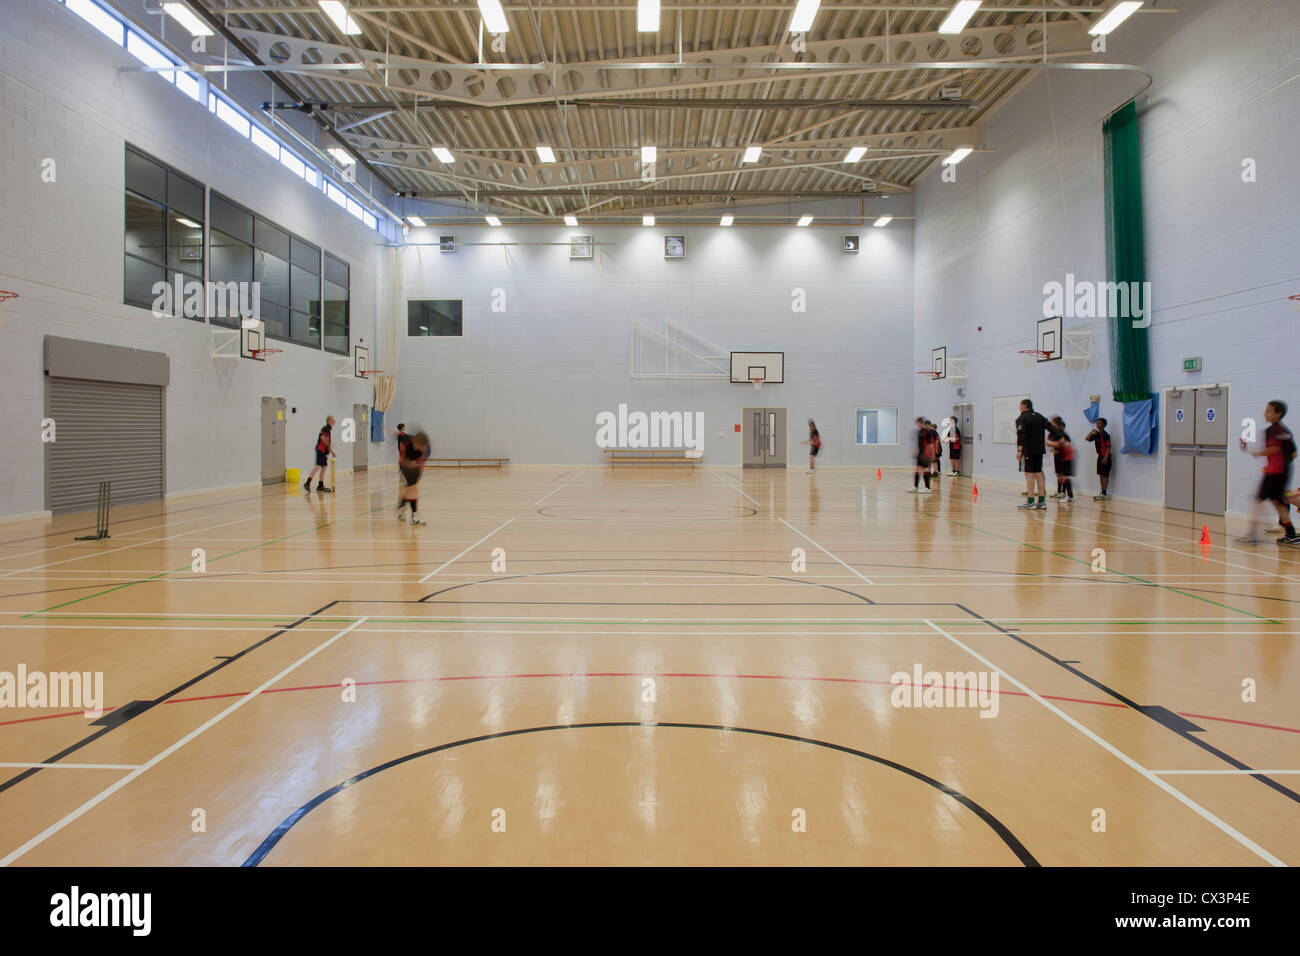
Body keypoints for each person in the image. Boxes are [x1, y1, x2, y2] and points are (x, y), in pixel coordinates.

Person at [1238, 400, 1297, 545]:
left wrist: (1258, 453)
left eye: (1269, 411)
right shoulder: (1286, 431)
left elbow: (1274, 449)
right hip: (1283, 472)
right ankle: (1291, 534)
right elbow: (1294, 453)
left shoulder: (1272, 431)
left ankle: (1252, 535)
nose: (1265, 413)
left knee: (1258, 501)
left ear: (1278, 414)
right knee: (1278, 503)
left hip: (1274, 473)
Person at [1015, 399, 1062, 511]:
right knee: (1039, 473)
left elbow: (1021, 436)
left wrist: (1019, 450)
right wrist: (1062, 438)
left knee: (1030, 475)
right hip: (1039, 450)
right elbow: (1052, 428)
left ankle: (1030, 501)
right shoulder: (1040, 416)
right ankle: (1041, 502)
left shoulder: (1022, 419)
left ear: (1023, 406)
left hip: (1029, 450)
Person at [399, 430, 431, 526]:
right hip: (405, 465)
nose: (423, 448)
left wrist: (417, 464)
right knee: (412, 488)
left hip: (417, 466)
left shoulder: (427, 449)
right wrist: (409, 464)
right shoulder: (408, 445)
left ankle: (401, 507)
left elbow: (422, 461)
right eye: (421, 446)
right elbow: (404, 460)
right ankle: (414, 515)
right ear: (416, 443)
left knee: (410, 488)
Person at [304, 416, 335, 493]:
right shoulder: (326, 428)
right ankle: (307, 483)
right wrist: (331, 451)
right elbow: (323, 438)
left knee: (324, 467)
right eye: (333, 420)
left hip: (324, 451)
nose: (334, 421)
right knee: (318, 466)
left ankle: (320, 485)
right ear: (329, 421)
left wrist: (327, 452)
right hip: (320, 449)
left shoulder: (328, 429)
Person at [1047, 416, 1075, 502]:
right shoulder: (1053, 434)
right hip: (1058, 457)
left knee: (1065, 476)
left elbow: (1061, 445)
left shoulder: (1062, 434)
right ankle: (1060, 492)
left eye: (1053, 423)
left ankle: (1069, 495)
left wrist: (1051, 444)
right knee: (1059, 474)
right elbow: (1053, 444)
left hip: (1065, 457)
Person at [1085, 418, 1113, 501]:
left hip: (1105, 457)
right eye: (1097, 423)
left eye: (1099, 423)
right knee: (1101, 474)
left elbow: (1108, 446)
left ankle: (1105, 493)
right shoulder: (1097, 434)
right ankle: (1102, 492)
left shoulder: (1105, 435)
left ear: (1104, 425)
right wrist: (1091, 432)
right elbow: (1087, 439)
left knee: (1105, 475)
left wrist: (1106, 457)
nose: (1097, 425)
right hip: (1100, 456)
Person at [909, 417, 932, 494]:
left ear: (922, 423)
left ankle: (928, 488)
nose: (919, 424)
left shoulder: (927, 432)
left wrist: (931, 454)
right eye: (918, 423)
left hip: (926, 454)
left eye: (920, 423)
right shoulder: (919, 432)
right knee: (917, 469)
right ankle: (915, 486)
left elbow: (930, 444)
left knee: (926, 470)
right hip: (920, 454)